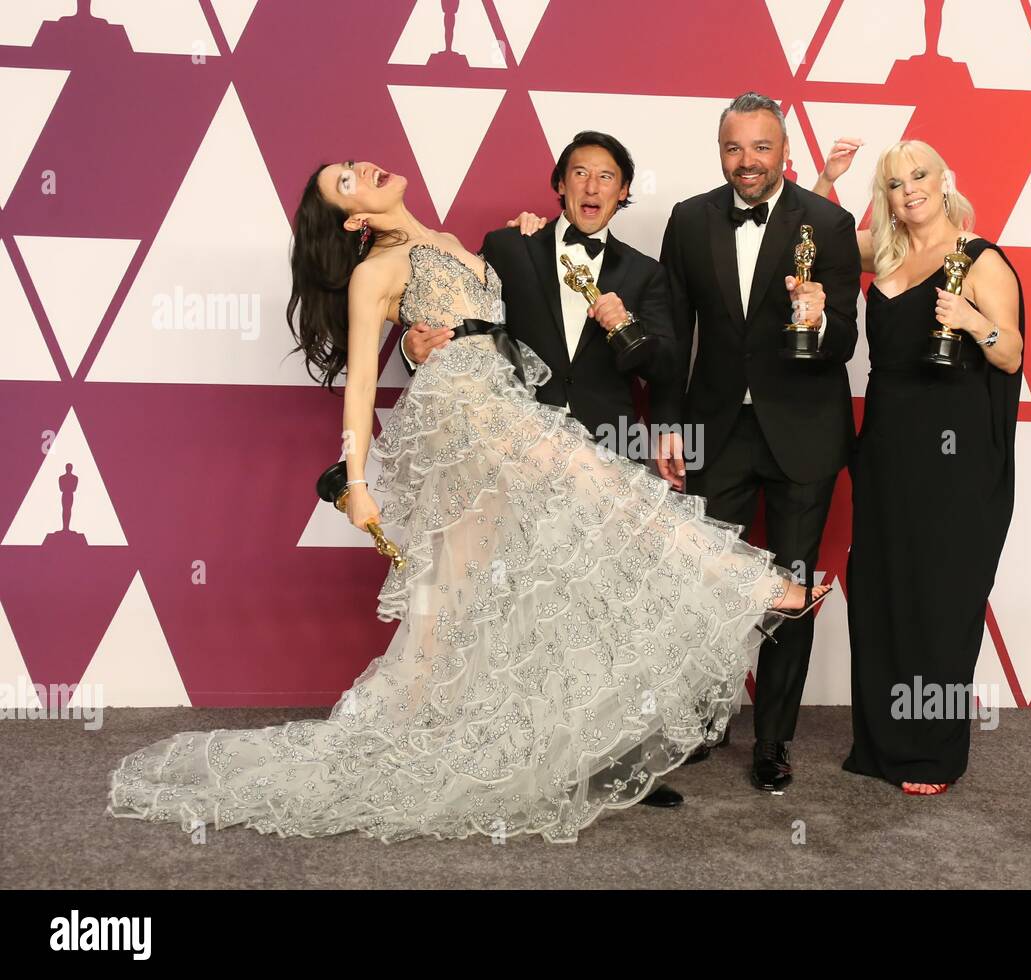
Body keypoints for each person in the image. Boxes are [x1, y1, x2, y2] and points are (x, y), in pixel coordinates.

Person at [104, 157, 829, 844]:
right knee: (603, 491)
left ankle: (437, 739)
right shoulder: (378, 272)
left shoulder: (460, 241)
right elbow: (361, 385)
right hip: (464, 413)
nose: (365, 171)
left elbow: (495, 318)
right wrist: (357, 483)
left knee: (466, 595)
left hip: (502, 396)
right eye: (347, 182)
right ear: (354, 220)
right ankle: (761, 585)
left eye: (354, 164)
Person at [399, 130, 684, 807]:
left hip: (604, 454)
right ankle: (522, 760)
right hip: (513, 453)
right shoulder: (507, 248)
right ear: (559, 185)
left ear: (623, 192)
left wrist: (627, 330)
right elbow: (462, 329)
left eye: (606, 176)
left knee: (607, 610)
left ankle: (620, 765)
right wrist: (415, 349)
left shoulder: (645, 274)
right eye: (579, 173)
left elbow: (668, 366)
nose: (591, 187)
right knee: (521, 605)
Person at [655, 92, 862, 794]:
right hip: (718, 432)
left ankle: (774, 741)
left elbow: (844, 342)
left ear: (783, 149)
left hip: (803, 431)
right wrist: (669, 425)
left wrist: (822, 316)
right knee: (711, 586)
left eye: (760, 147)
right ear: (720, 151)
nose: (747, 162)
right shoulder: (688, 219)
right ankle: (707, 722)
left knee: (791, 591)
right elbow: (675, 334)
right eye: (733, 148)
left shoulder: (829, 222)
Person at [813, 137, 1023, 795]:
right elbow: (815, 243)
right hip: (887, 441)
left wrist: (969, 321)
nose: (911, 190)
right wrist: (827, 177)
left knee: (939, 592)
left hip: (953, 448)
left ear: (944, 179)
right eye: (897, 182)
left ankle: (931, 753)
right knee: (881, 585)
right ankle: (881, 744)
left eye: (921, 175)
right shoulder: (889, 251)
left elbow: (1012, 354)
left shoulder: (981, 260)